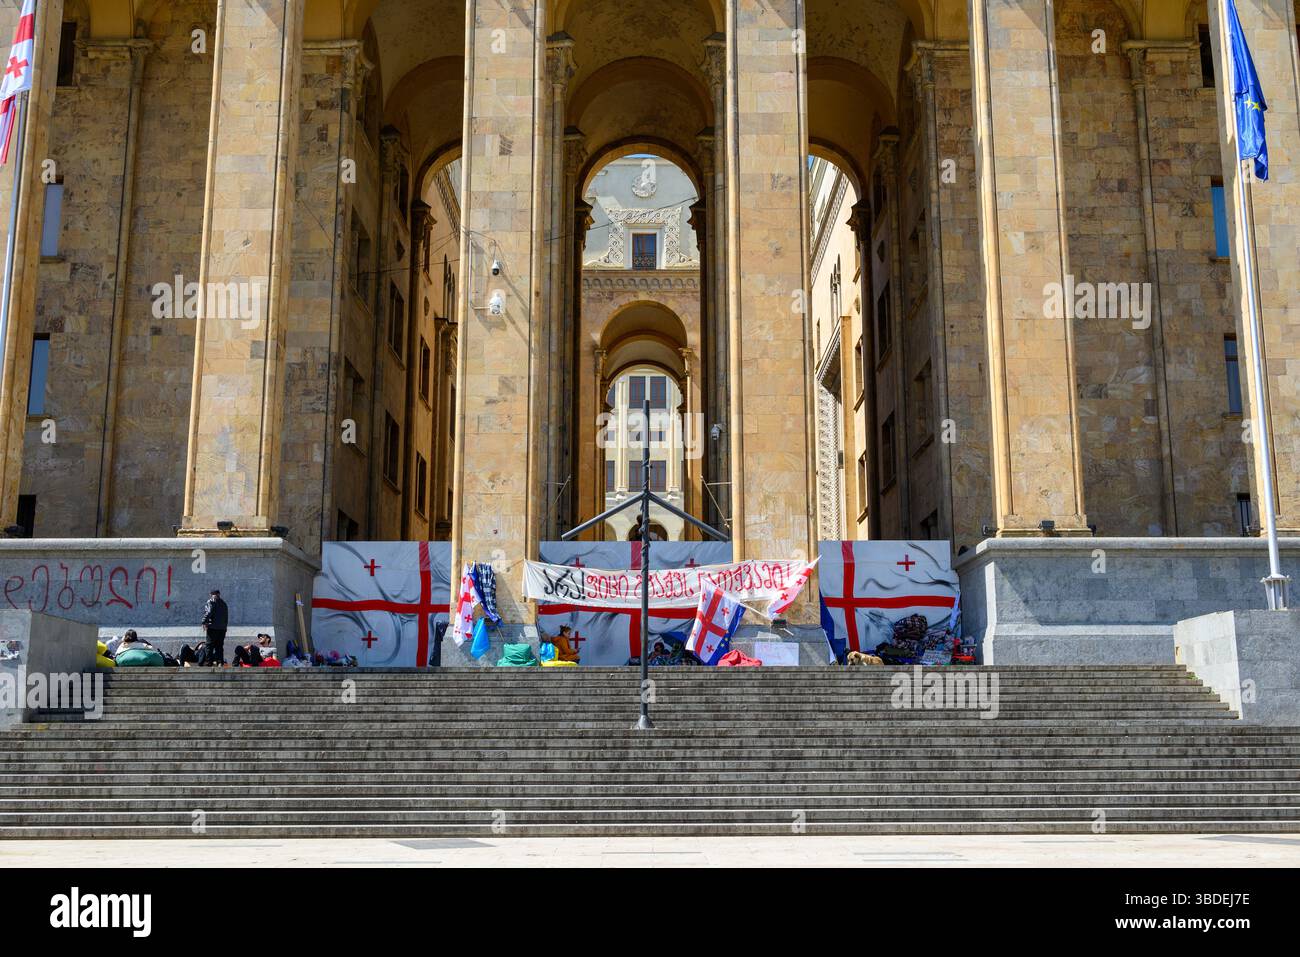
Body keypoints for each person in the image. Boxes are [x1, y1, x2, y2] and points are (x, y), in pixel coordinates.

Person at [201, 589, 228, 666]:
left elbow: (209, 612)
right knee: (219, 646)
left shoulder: (211, 601)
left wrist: (204, 621)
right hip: (222, 629)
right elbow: (226, 618)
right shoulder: (224, 603)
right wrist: (224, 628)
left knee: (209, 645)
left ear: (212, 594)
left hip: (213, 627)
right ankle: (220, 662)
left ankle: (209, 662)